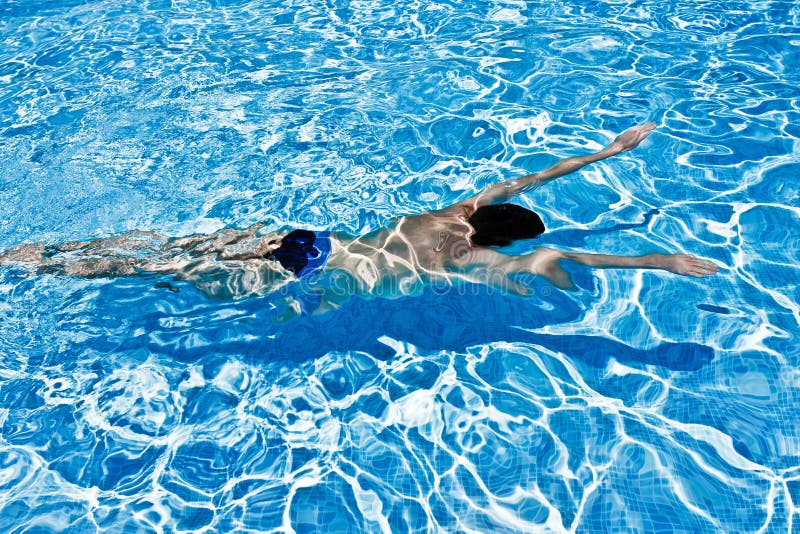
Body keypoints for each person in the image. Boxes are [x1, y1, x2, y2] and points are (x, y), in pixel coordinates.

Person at [0, 122, 718, 311]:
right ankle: (55, 266)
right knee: (157, 279)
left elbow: (542, 174)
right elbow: (579, 261)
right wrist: (662, 261)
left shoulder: (464, 208)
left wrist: (610, 151)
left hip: (306, 237)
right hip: (309, 273)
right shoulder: (467, 260)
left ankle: (46, 249)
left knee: (171, 250)